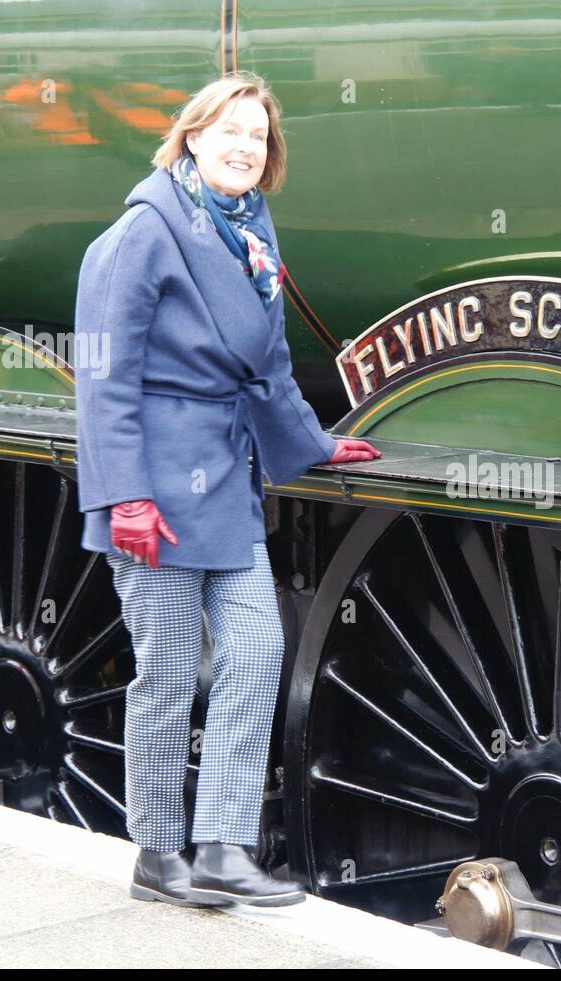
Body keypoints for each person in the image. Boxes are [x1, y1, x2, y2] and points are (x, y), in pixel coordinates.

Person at [73, 71, 380, 908]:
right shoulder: (144, 232)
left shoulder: (251, 234)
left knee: (254, 653)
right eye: (231, 130)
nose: (247, 145)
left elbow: (267, 369)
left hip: (226, 486)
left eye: (260, 136)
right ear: (192, 137)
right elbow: (103, 378)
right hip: (156, 495)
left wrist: (316, 443)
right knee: (167, 677)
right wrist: (122, 494)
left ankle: (222, 846)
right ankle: (157, 855)